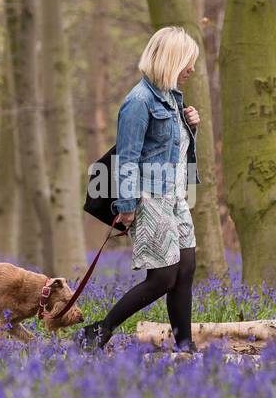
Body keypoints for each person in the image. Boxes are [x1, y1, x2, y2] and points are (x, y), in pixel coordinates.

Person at [79, 27, 202, 351]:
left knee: (185, 269)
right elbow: (128, 159)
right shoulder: (138, 101)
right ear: (172, 60)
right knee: (162, 277)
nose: (192, 69)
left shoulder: (173, 100)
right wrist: (127, 205)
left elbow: (173, 152)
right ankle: (99, 330)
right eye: (188, 62)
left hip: (175, 197)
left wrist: (192, 127)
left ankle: (184, 345)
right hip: (149, 198)